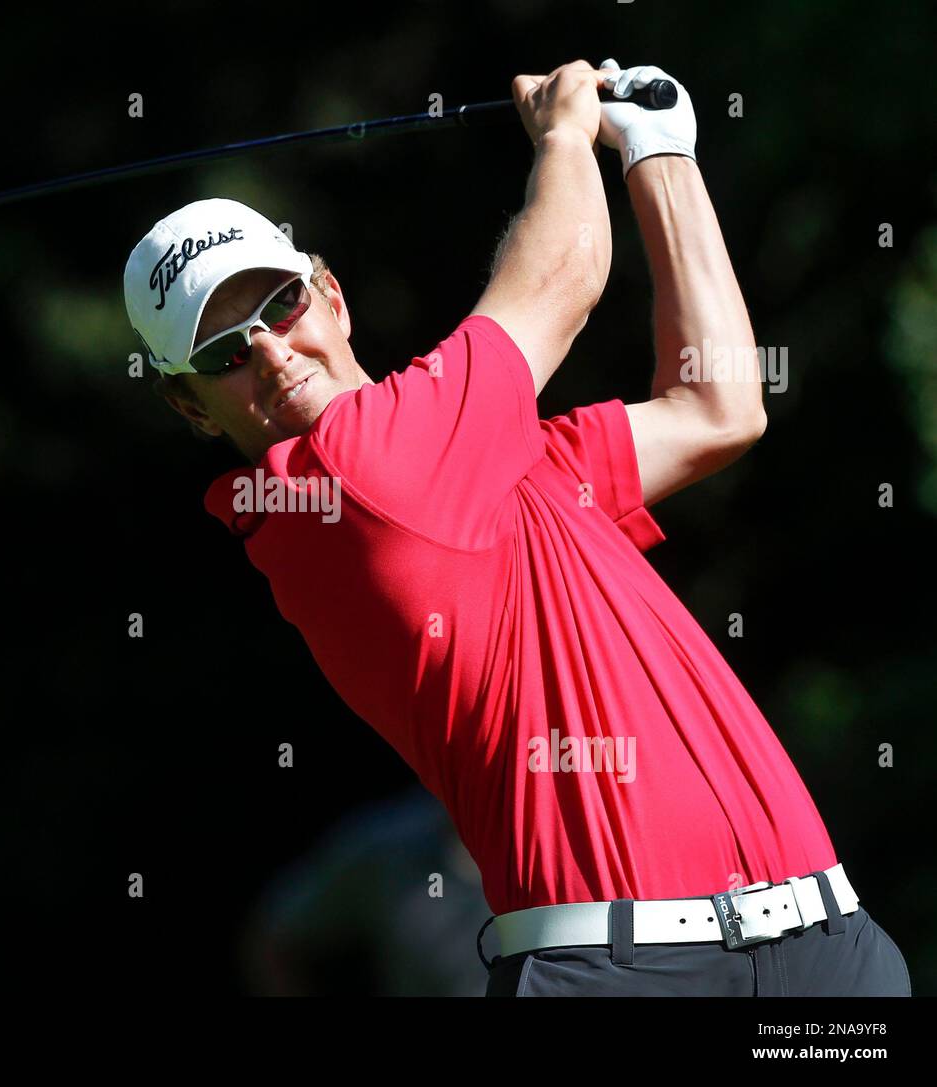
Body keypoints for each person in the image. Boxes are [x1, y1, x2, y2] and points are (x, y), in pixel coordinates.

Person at [121, 59, 911, 997]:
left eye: (279, 304)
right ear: (193, 407)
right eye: (223, 350)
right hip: (624, 973)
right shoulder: (340, 482)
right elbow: (566, 273)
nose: (270, 350)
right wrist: (569, 134)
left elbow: (719, 405)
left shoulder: (501, 458)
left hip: (830, 948)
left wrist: (661, 151)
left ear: (329, 296)